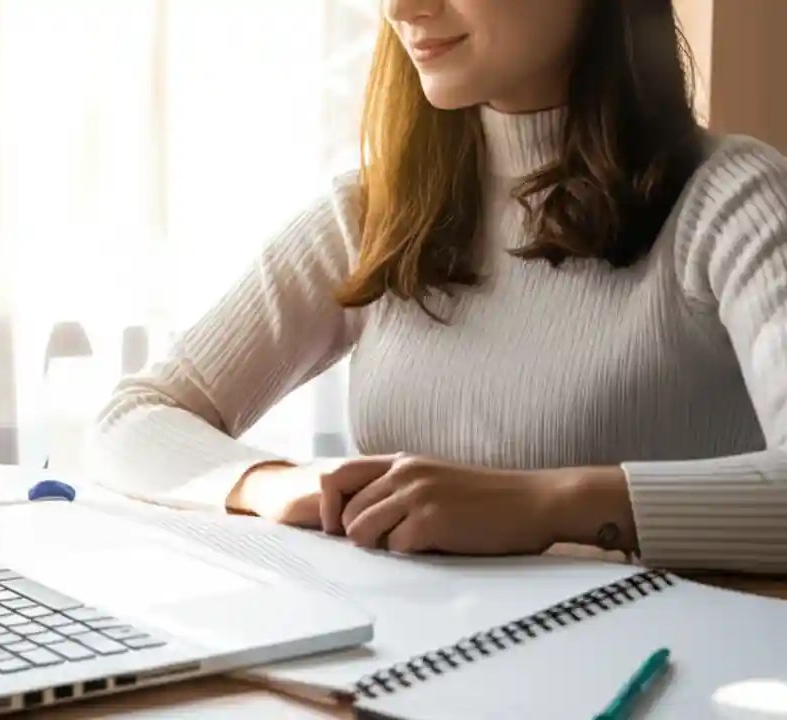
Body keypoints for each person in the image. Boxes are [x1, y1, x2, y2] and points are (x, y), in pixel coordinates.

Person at [83, 0, 787, 573]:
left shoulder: (731, 201)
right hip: (408, 673)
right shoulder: (375, 212)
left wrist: (544, 505)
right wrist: (274, 485)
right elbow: (131, 419)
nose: (401, 9)